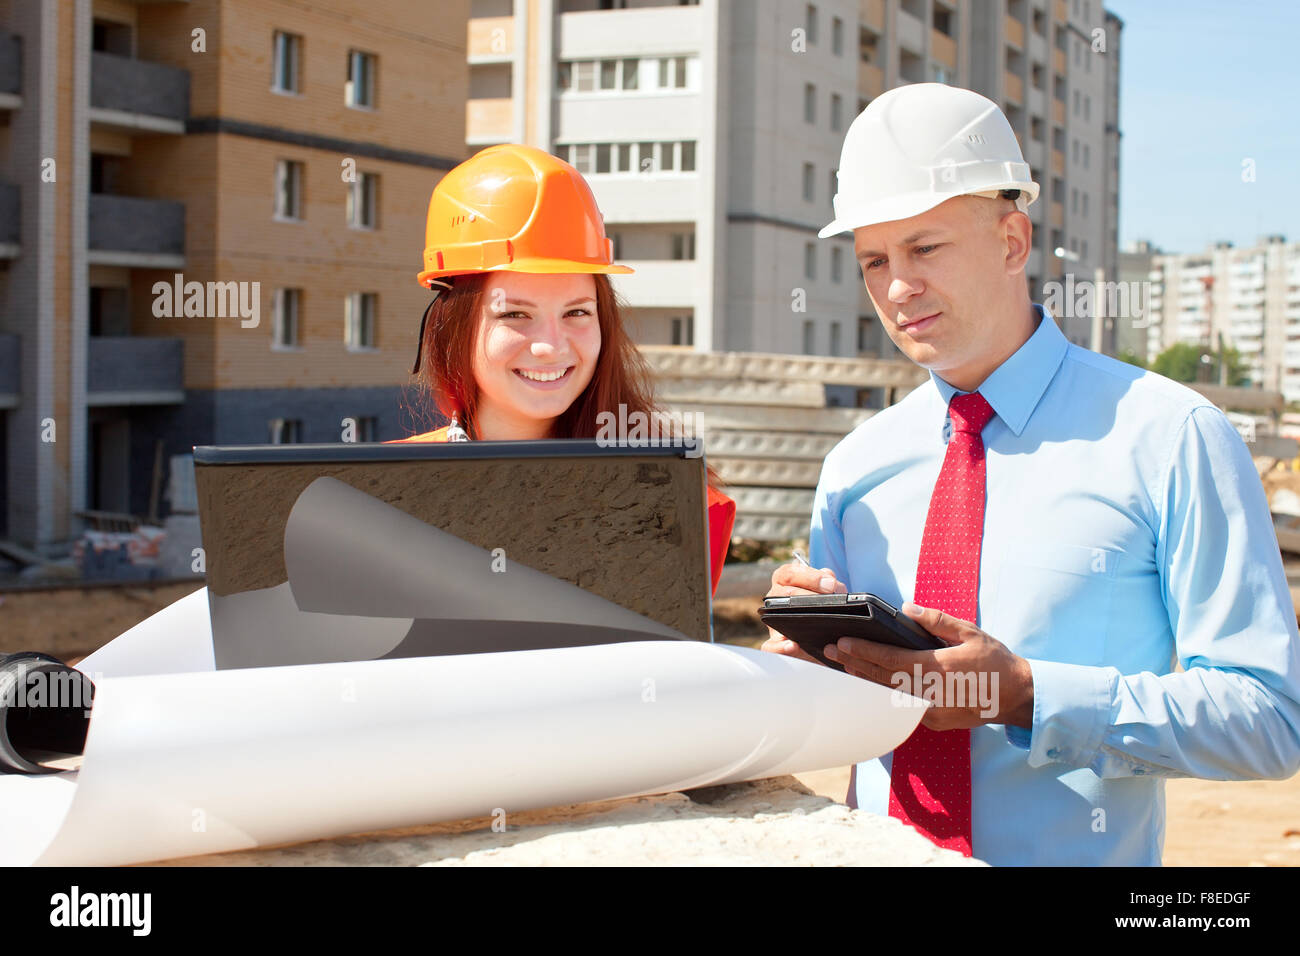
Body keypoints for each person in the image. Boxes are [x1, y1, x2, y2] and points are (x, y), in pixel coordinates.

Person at [761, 83, 1300, 865]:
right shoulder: (856, 467)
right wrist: (805, 667)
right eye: (874, 259)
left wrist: (1024, 694)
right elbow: (851, 720)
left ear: (1013, 241)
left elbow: (1269, 719)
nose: (896, 287)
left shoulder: (1171, 438)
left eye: (925, 247)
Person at [388, 144, 735, 596]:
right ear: (453, 330)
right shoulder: (383, 492)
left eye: (576, 313)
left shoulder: (669, 500)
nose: (551, 346)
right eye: (515, 315)